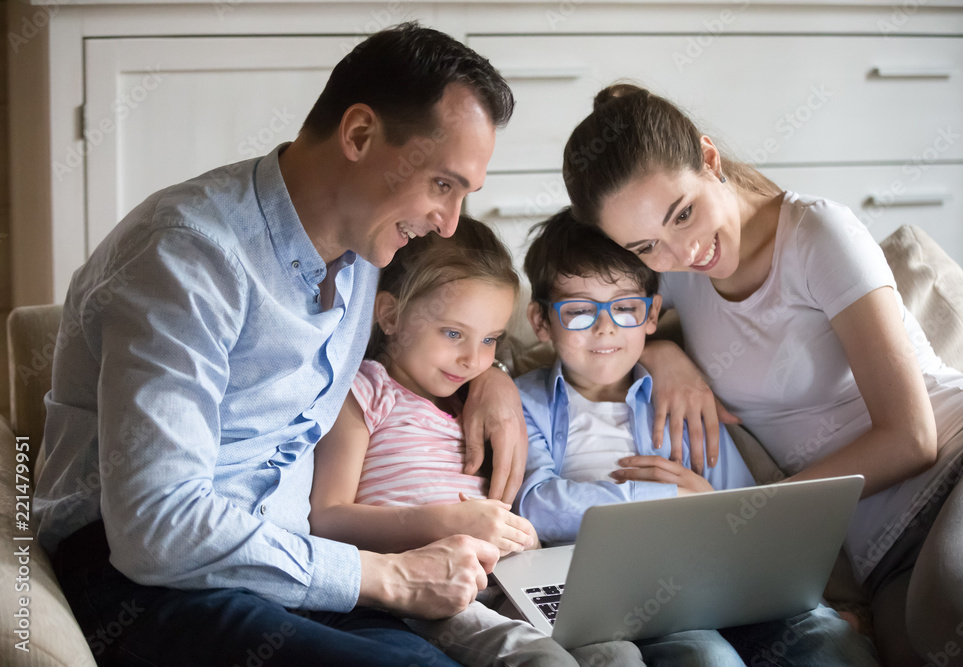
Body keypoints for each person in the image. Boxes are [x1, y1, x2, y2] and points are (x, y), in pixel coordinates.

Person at [32, 23, 531, 666]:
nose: (449, 221)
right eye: (442, 184)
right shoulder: (187, 254)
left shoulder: (368, 255)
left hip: (290, 568)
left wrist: (492, 378)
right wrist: (386, 577)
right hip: (146, 580)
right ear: (358, 135)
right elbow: (156, 524)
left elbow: (440, 325)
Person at [558, 82, 963, 666]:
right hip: (882, 553)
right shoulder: (679, 273)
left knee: (958, 600)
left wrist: (748, 518)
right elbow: (599, 320)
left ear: (709, 158)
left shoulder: (818, 234)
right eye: (646, 246)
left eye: (684, 213)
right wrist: (664, 355)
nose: (683, 251)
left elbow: (913, 438)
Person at [513, 209, 878, 666]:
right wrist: (667, 494)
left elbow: (741, 506)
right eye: (580, 310)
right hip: (623, 596)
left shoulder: (680, 397)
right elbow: (536, 505)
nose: (606, 327)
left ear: (651, 315)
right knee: (706, 655)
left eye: (625, 308)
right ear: (541, 321)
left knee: (825, 636)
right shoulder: (525, 402)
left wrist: (707, 503)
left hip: (718, 580)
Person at [310, 215, 639, 666]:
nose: (473, 358)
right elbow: (326, 520)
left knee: (616, 651)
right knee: (543, 661)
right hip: (428, 587)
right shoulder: (365, 392)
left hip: (508, 577)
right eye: (453, 334)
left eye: (490, 340)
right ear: (390, 315)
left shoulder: (475, 407)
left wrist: (523, 540)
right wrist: (447, 522)